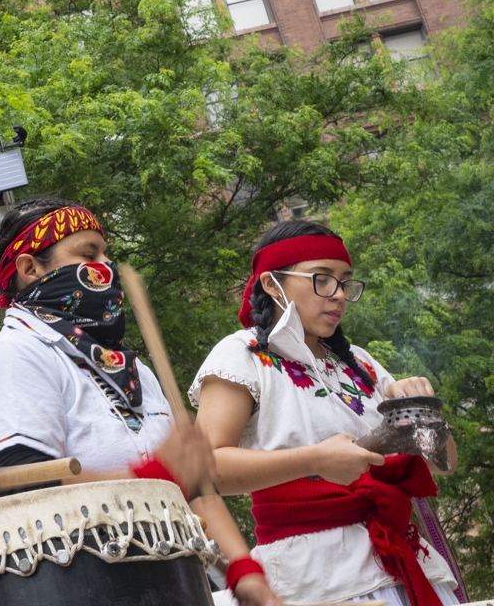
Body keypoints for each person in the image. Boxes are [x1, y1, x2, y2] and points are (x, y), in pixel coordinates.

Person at [0, 198, 280, 606]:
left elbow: (192, 491)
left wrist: (242, 570)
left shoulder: (133, 369)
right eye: (88, 254)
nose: (105, 265)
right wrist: (153, 477)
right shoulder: (11, 355)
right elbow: (23, 481)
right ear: (29, 268)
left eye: (106, 254)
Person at [192, 220, 459, 606]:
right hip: (313, 572)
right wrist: (315, 460)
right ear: (272, 284)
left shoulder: (360, 364)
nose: (339, 295)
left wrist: (422, 412)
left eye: (346, 283)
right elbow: (206, 472)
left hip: (397, 555)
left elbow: (443, 463)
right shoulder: (241, 355)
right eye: (322, 279)